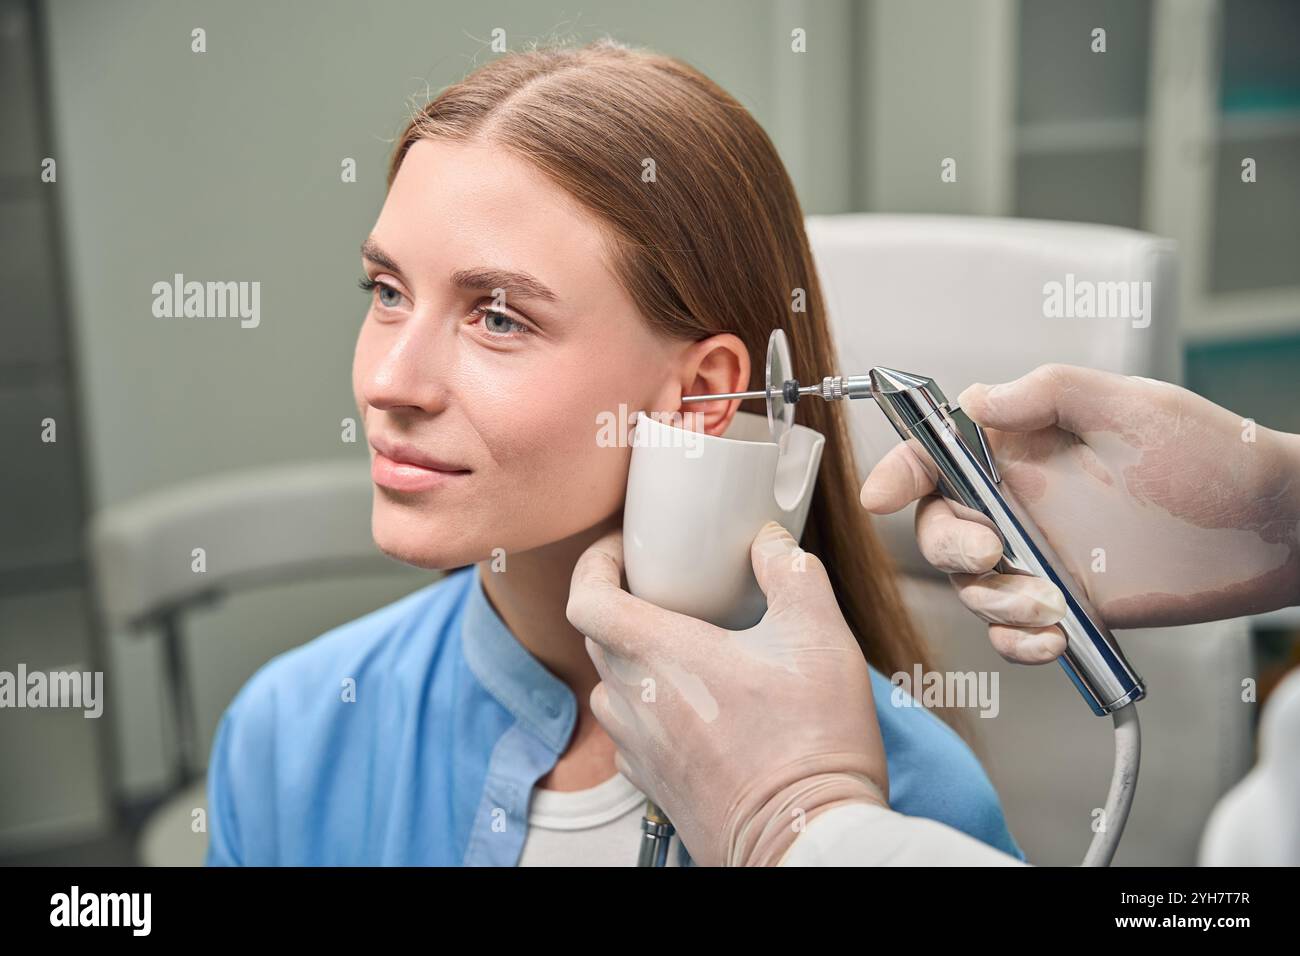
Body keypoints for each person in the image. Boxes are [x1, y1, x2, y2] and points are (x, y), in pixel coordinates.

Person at [204, 39, 1020, 867]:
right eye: (387, 293)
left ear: (701, 388)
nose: (388, 381)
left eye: (497, 318)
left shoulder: (903, 808)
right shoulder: (289, 738)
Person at [571, 364, 1300, 865]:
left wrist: (793, 816)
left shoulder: (919, 783)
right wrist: (1283, 509)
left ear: (707, 388)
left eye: (501, 318)